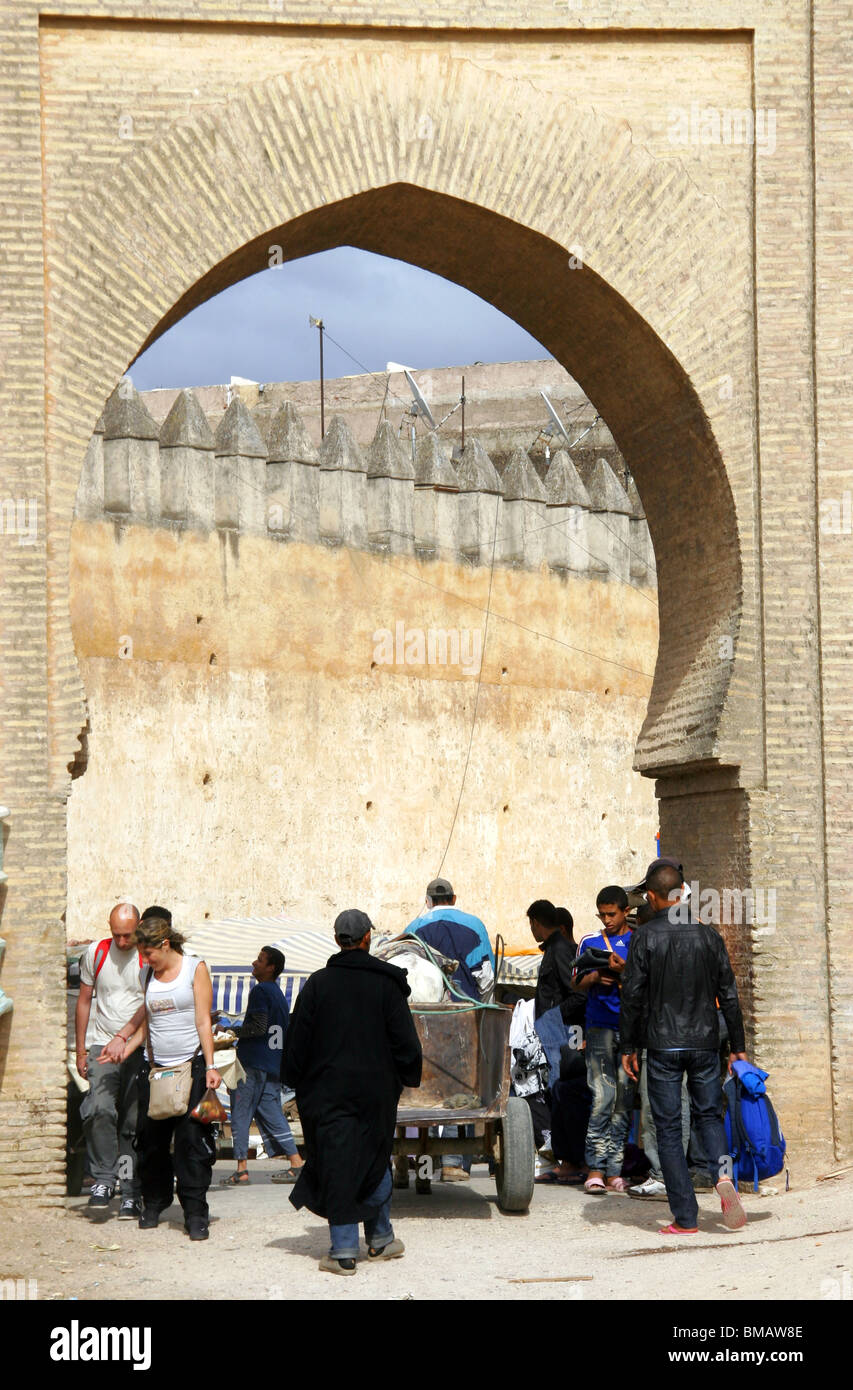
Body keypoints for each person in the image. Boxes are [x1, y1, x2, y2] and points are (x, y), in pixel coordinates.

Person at [283, 909, 422, 1275]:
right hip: (375, 1094)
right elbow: (406, 1043)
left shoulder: (317, 985)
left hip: (326, 1095)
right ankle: (379, 1239)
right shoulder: (387, 986)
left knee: (338, 1161)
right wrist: (408, 1077)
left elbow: (297, 1041)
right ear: (367, 939)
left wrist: (293, 1078)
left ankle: (347, 1249)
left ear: (336, 940)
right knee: (375, 1157)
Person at [620, 861, 749, 1235]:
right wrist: (738, 1045)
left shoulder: (644, 937)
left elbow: (632, 995)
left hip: (662, 1046)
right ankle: (723, 1174)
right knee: (709, 1115)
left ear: (658, 897)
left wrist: (627, 1044)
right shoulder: (709, 937)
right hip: (706, 1042)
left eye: (649, 894)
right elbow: (729, 995)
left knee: (668, 1128)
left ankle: (686, 1218)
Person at [124, 914, 222, 1240]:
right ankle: (153, 1203)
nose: (145, 960)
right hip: (155, 1071)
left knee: (191, 1143)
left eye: (149, 953)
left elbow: (203, 1021)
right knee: (151, 1142)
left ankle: (195, 1213)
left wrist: (210, 1066)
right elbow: (147, 1023)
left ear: (165, 945)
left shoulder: (195, 969)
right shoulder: (146, 975)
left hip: (191, 1067)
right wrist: (124, 1046)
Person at [403, 877, 495, 1181]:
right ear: (454, 898)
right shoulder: (474, 925)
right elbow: (485, 976)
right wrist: (480, 1010)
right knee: (460, 1085)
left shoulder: (415, 927)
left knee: (423, 1085)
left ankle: (408, 1162)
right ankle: (454, 1163)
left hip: (423, 1018)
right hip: (463, 1015)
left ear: (428, 899)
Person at [75, 902, 145, 1217]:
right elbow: (84, 1001)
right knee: (98, 1110)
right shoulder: (96, 953)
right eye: (116, 934)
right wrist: (80, 1049)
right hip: (101, 1046)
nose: (121, 942)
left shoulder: (148, 957)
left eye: (127, 935)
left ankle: (130, 1190)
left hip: (137, 1048)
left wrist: (130, 1039)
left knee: (131, 1123)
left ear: (139, 927)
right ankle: (104, 1178)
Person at [216, 946, 303, 1186]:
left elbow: (258, 1027)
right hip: (273, 1064)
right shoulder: (278, 995)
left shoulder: (260, 991)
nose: (254, 963)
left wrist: (230, 1031)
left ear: (271, 967)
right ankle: (296, 1163)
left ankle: (242, 1169)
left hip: (252, 1062)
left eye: (260, 960)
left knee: (241, 1113)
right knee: (273, 1114)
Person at [573, 886, 636, 1194]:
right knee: (602, 1099)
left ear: (625, 912)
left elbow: (646, 983)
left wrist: (624, 974)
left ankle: (615, 1169)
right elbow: (576, 982)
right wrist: (596, 976)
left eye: (612, 914)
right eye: (603, 914)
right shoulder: (589, 941)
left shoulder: (638, 940)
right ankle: (595, 1167)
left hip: (630, 1031)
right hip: (598, 1028)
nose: (607, 920)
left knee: (624, 1101)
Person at [527, 900, 589, 1186]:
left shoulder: (562, 950)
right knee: (558, 1095)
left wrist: (552, 1017)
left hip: (564, 1036)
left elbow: (578, 995)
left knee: (566, 1094)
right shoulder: (553, 949)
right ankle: (568, 1161)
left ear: (538, 922)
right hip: (555, 1035)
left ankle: (574, 1162)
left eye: (532, 924)